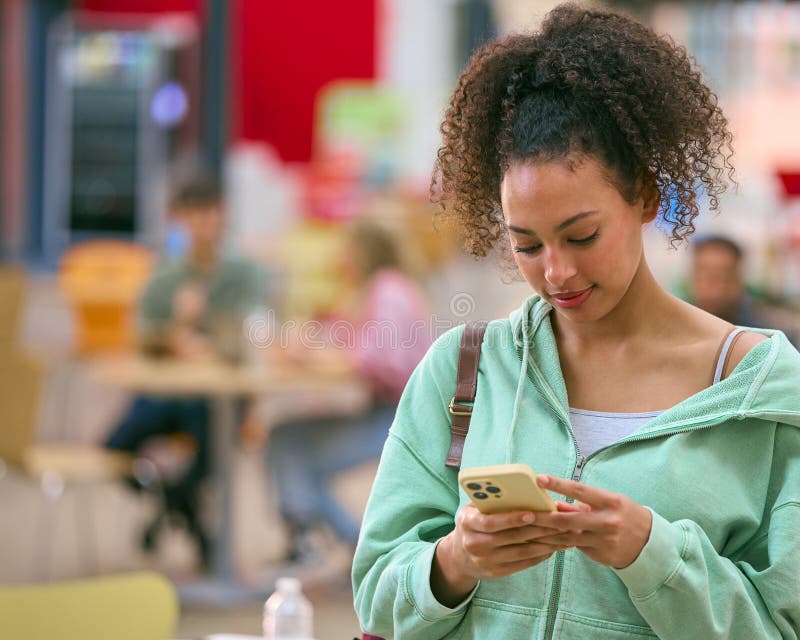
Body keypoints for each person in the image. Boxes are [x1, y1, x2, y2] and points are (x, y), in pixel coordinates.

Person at [352, 4, 800, 639]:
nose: (556, 272)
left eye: (581, 235)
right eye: (527, 245)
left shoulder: (765, 397)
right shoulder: (464, 372)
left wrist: (656, 555)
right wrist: (453, 562)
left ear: (645, 194)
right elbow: (375, 593)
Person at [105, 176, 266, 568]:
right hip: (165, 392)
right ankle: (185, 510)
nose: (204, 224)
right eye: (195, 215)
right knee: (114, 449)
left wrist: (209, 339)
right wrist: (177, 332)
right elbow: (141, 336)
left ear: (223, 216)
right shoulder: (164, 276)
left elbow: (255, 331)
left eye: (211, 213)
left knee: (209, 450)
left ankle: (186, 512)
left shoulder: (243, 273)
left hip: (219, 400)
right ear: (179, 219)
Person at [266, 218, 431, 565]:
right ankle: (334, 541)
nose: (343, 259)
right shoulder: (384, 289)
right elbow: (350, 343)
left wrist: (310, 360)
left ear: (363, 251)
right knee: (285, 437)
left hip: (399, 420)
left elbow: (372, 361)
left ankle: (336, 544)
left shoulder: (388, 289)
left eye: (348, 249)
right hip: (388, 411)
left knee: (293, 451)